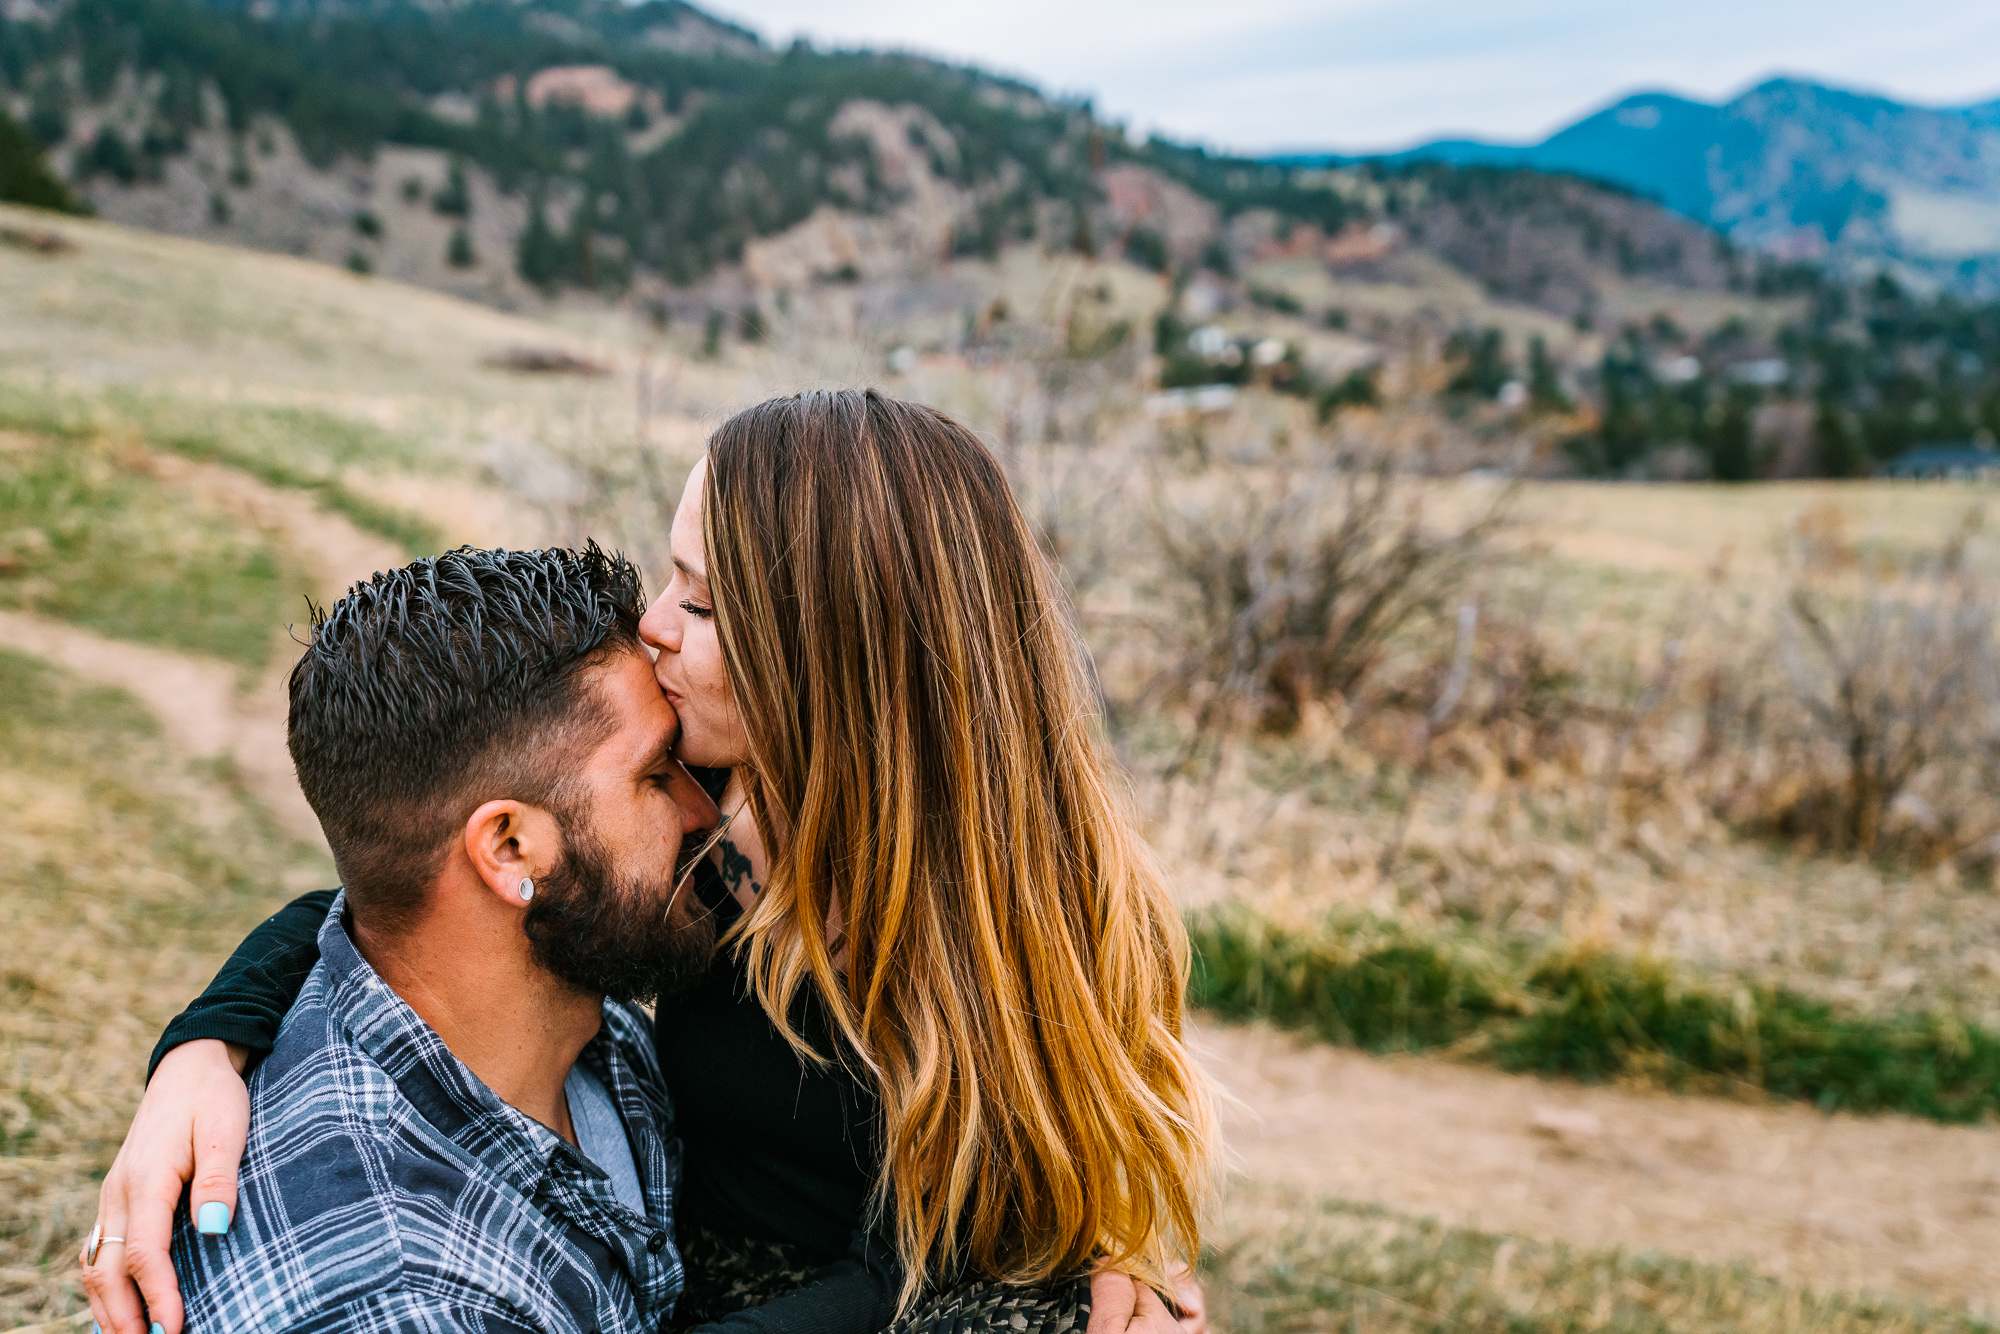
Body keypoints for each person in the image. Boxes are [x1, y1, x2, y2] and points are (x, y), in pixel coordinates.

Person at [86, 390, 1216, 1333]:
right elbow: (434, 886)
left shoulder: (1032, 927)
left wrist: (1094, 1270)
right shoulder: (711, 821)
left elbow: (953, 1253)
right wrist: (204, 1044)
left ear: (833, 660)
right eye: (666, 571)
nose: (654, 626)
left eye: (702, 598)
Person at [82, 545, 726, 1334]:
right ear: (511, 849)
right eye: (658, 776)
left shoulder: (578, 1009)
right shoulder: (403, 1302)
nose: (707, 812)